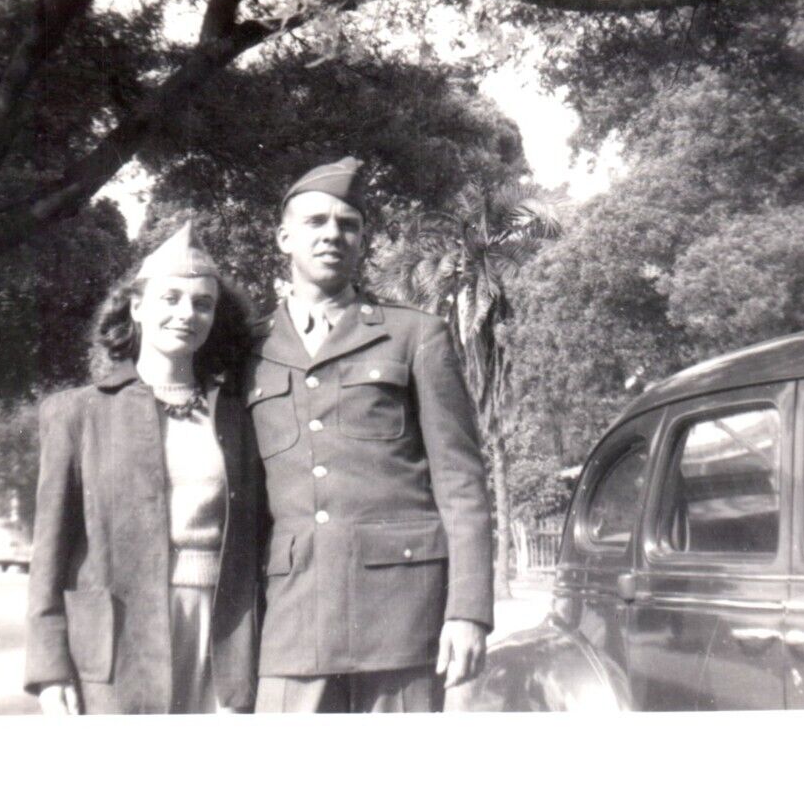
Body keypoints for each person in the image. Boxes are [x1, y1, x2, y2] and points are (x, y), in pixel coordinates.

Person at [244, 157, 493, 712]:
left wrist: (468, 610)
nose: (332, 233)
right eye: (315, 222)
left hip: (401, 619)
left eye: (348, 224)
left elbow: (461, 483)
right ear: (284, 237)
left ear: (362, 241)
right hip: (291, 619)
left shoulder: (415, 335)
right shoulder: (248, 349)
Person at [24, 223, 264, 714]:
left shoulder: (241, 416)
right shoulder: (76, 414)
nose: (186, 313)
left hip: (224, 633)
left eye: (202, 303)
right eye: (170, 298)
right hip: (117, 646)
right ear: (137, 306)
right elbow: (49, 552)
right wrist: (50, 671)